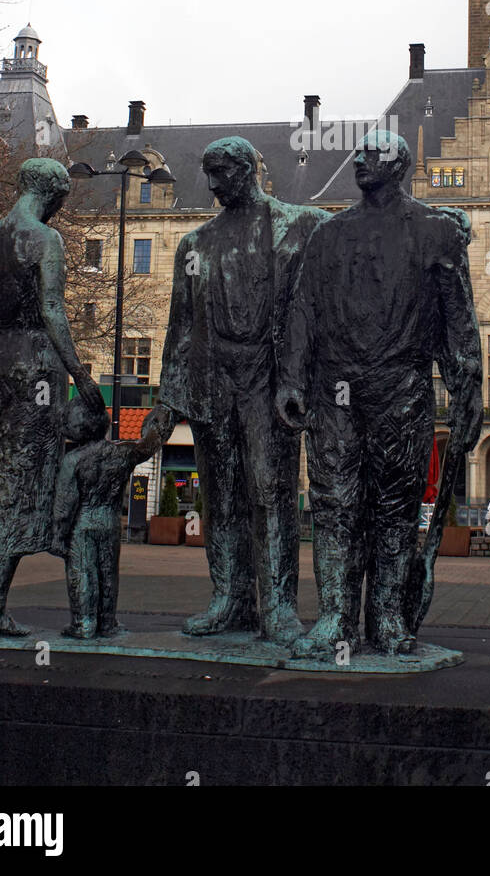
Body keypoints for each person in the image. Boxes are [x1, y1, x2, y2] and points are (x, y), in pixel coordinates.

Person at [276, 130, 483, 659]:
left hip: (403, 389)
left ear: (401, 165)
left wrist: (468, 389)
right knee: (334, 505)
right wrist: (293, 380)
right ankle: (335, 617)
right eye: (359, 153)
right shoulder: (328, 235)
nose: (361, 160)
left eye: (374, 154)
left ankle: (387, 615)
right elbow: (301, 310)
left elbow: (459, 321)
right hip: (336, 392)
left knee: (395, 506)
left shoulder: (435, 232)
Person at [157, 136, 327, 645]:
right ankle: (229, 598)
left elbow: (349, 254)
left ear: (248, 170)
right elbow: (180, 327)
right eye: (206, 173)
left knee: (270, 492)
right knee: (221, 495)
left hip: (268, 380)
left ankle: (277, 605)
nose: (210, 184)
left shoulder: (301, 224)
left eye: (220, 173)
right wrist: (169, 396)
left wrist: (438, 220)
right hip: (213, 381)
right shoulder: (194, 244)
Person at [0, 157, 105, 637]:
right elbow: (52, 310)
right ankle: (14, 609)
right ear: (53, 194)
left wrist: (2, 356)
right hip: (37, 364)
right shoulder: (46, 240)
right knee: (26, 480)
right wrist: (80, 375)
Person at [51, 403, 170, 638]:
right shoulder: (122, 453)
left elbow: (65, 503)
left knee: (83, 573)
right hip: (110, 522)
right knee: (108, 574)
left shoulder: (72, 460)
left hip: (82, 523)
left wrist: (58, 534)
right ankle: (107, 623)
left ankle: (83, 623)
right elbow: (149, 445)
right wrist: (163, 415)